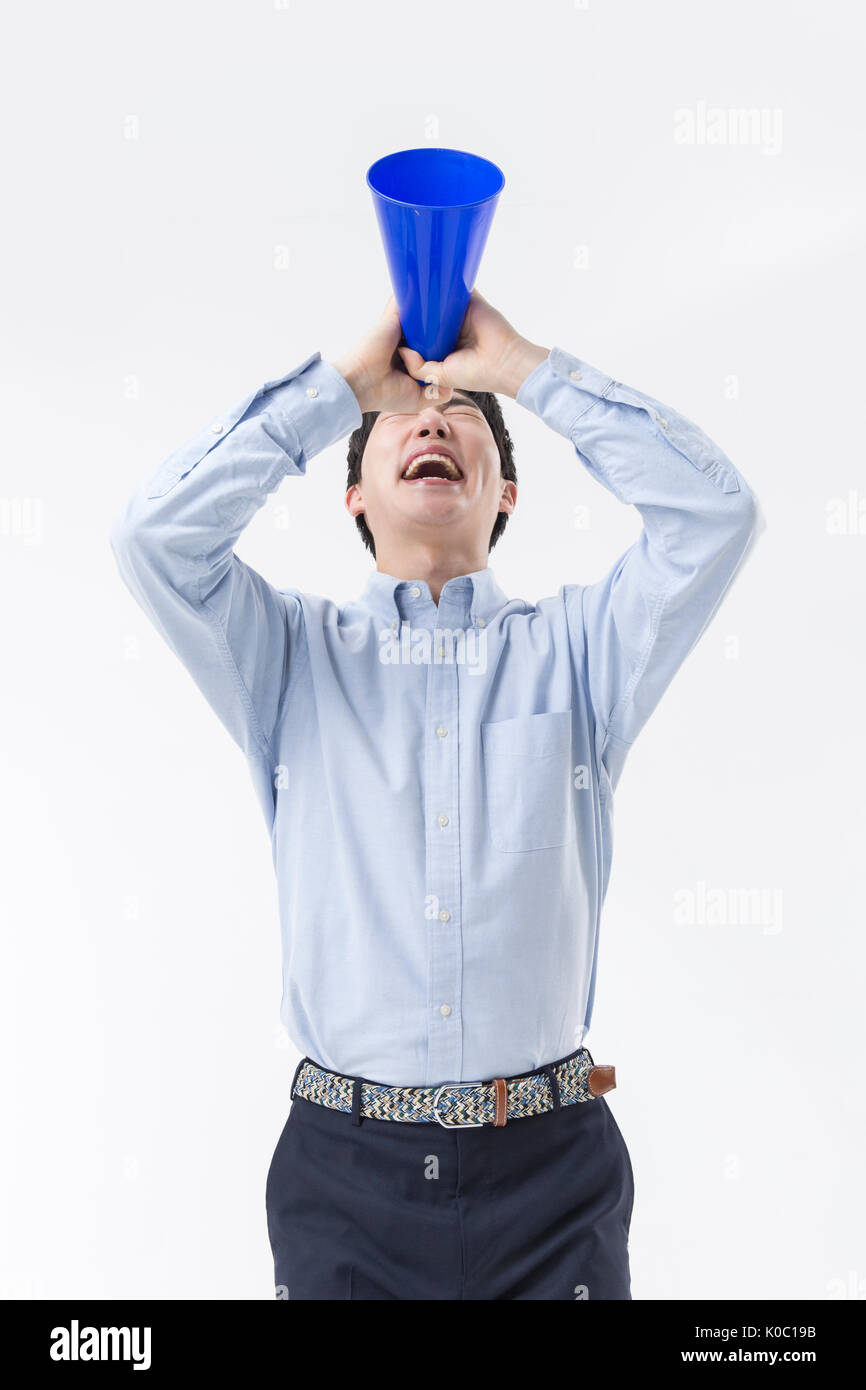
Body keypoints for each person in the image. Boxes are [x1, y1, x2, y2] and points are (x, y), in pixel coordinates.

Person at [110, 289, 762, 1300]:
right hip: (343, 1181)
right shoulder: (285, 658)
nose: (430, 419)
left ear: (504, 494)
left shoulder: (580, 654)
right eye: (400, 416)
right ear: (353, 495)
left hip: (553, 1178)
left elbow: (714, 515)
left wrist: (524, 371)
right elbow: (156, 538)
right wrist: (332, 392)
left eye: (462, 413)